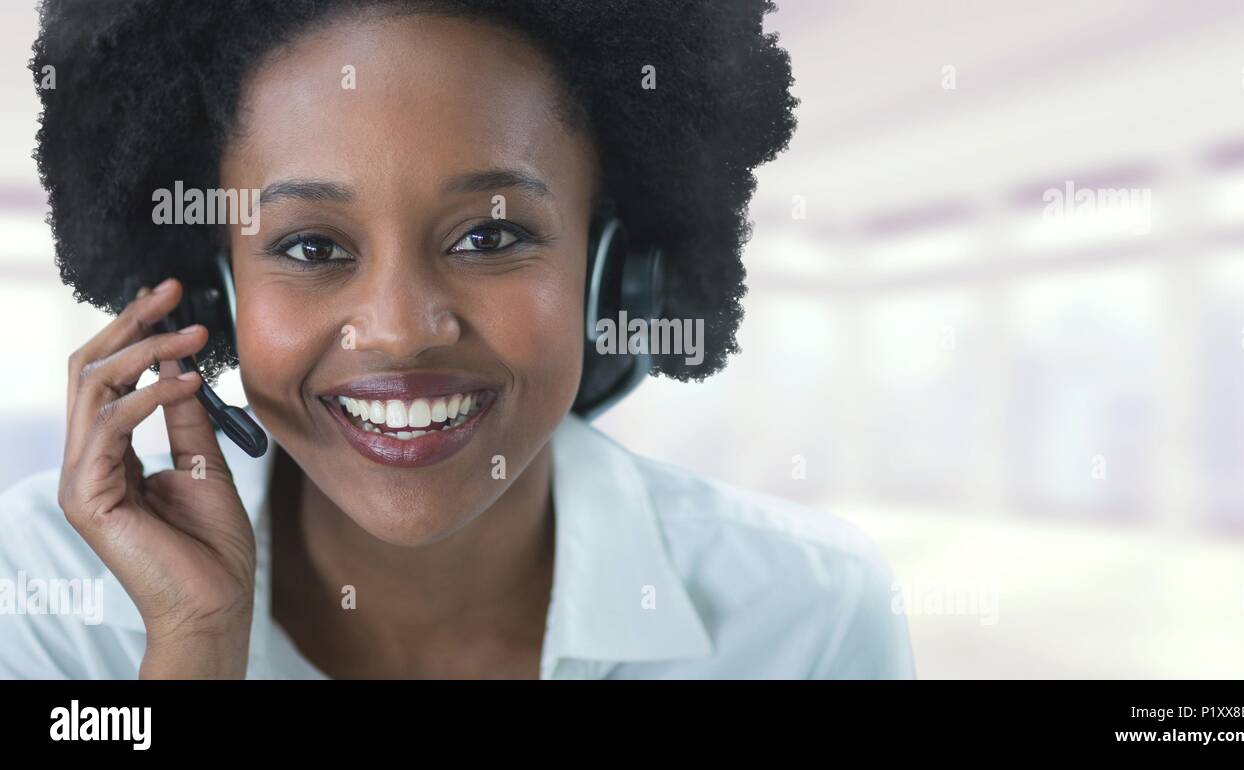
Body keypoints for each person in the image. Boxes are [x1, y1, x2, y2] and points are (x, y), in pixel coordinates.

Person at [0, 0, 915, 679]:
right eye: (312, 246)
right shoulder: (49, 583)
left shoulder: (811, 618)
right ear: (212, 291)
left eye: (491, 236)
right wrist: (194, 644)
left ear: (614, 272)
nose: (399, 331)